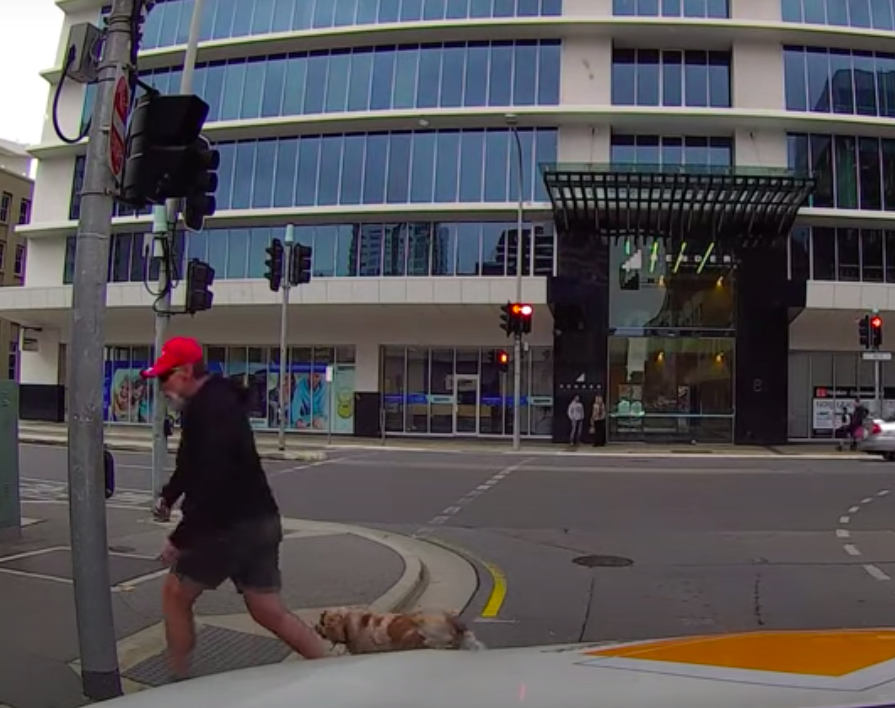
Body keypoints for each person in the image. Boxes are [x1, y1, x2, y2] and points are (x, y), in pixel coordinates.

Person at [142, 336, 327, 680]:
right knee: (267, 609)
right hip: (261, 519)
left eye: (163, 378)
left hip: (226, 528)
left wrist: (180, 538)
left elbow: (212, 483)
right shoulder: (216, 401)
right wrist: (168, 497)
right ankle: (328, 663)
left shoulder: (206, 411)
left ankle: (177, 683)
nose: (161, 388)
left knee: (175, 595)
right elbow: (190, 466)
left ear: (183, 372)